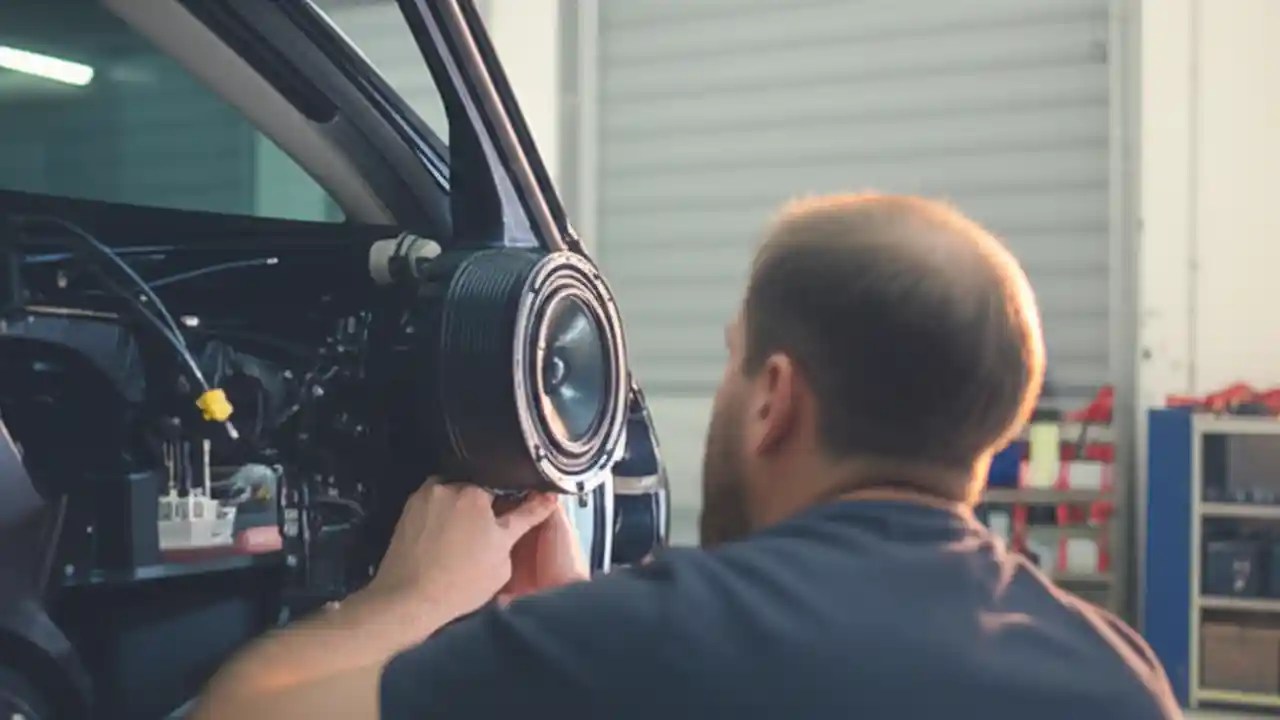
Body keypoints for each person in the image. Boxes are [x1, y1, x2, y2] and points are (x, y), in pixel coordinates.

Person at [193, 194, 1180, 719]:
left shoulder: (646, 644)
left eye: (731, 362)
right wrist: (558, 621)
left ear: (774, 398)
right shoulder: (1115, 678)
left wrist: (404, 602)